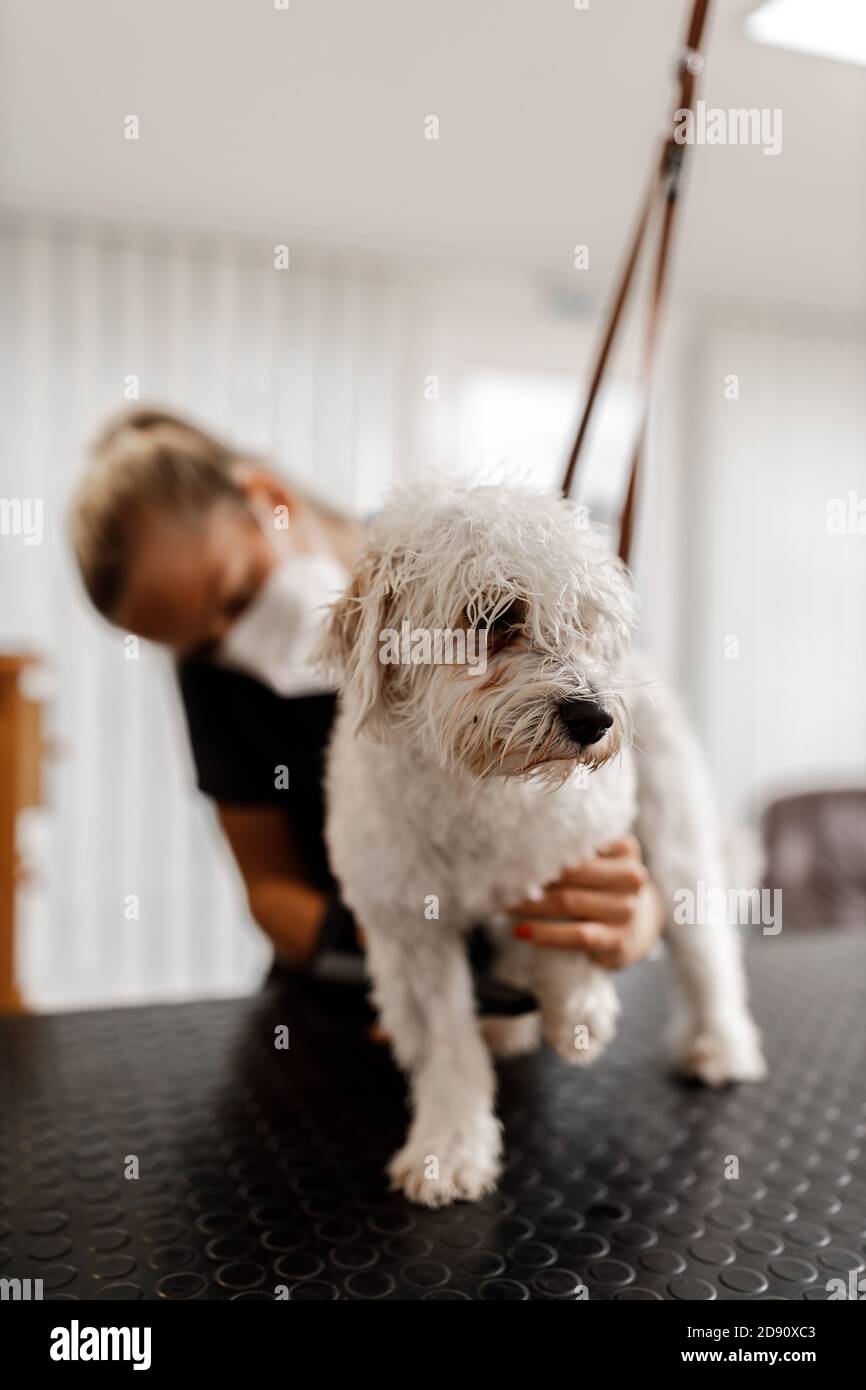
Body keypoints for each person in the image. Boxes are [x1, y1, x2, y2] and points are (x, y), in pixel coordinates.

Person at [70, 407, 664, 1015]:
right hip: (336, 1003)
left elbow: (604, 772)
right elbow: (269, 887)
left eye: (236, 595)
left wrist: (639, 917)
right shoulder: (215, 681)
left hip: (516, 1002)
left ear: (270, 499)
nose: (230, 640)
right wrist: (398, 950)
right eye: (199, 642)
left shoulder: (461, 562)